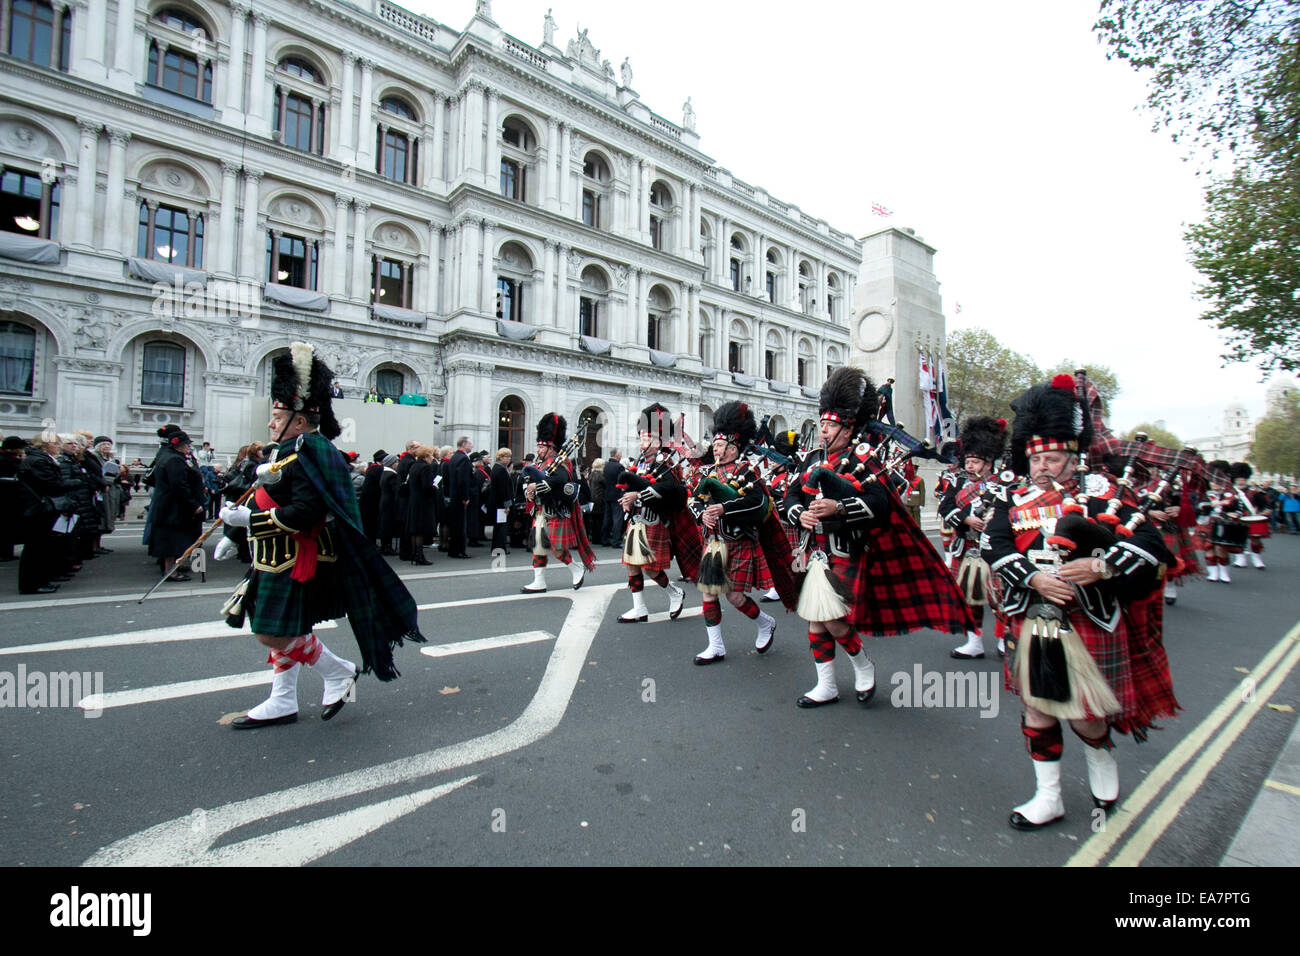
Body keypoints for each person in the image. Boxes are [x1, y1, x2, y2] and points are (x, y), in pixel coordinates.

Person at [983, 374, 1176, 830]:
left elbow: (1151, 545)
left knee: (1087, 716)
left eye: (1052, 458)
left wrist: (1102, 566)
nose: (1043, 467)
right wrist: (1032, 577)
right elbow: (995, 545)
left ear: (1073, 458)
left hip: (1089, 617)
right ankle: (1048, 796)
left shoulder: (1104, 495)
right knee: (1038, 708)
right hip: (1033, 616)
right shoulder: (1012, 500)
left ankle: (1102, 769)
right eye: (1036, 459)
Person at [218, 342, 425, 729]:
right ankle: (282, 700)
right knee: (290, 629)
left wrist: (251, 521)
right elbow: (274, 498)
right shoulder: (287, 450)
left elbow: (308, 512)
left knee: (269, 631)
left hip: (300, 556)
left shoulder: (314, 449)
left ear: (299, 419)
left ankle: (336, 670)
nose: (270, 421)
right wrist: (234, 528)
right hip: (274, 555)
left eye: (277, 414)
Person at [781, 368, 973, 706]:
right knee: (816, 620)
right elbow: (791, 497)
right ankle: (826, 685)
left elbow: (881, 505)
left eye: (830, 425)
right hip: (815, 551)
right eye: (822, 424)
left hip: (847, 550)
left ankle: (862, 664)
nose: (823, 430)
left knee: (836, 623)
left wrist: (838, 508)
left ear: (848, 427)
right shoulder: (811, 459)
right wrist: (801, 514)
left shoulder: (862, 459)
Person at [688, 401, 790, 664]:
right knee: (709, 592)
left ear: (733, 448)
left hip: (738, 538)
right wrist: (703, 513)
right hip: (713, 541)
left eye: (720, 445)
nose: (715, 448)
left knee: (734, 595)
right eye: (715, 444)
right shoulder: (707, 472)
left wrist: (723, 508)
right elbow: (694, 500)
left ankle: (765, 622)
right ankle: (716, 646)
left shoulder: (747, 471)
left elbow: (758, 503)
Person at [614, 403, 699, 623]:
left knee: (650, 567)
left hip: (655, 520)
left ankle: (674, 592)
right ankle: (639, 608)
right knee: (632, 564)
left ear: (659, 441)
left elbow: (669, 489)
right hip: (635, 519)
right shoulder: (640, 462)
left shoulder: (666, 462)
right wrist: (626, 500)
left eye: (648, 439)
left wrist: (639, 496)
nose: (643, 444)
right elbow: (634, 485)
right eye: (641, 439)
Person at [941, 416, 1008, 660]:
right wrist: (966, 519)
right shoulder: (957, 482)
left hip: (993, 549)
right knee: (969, 597)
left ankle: (1003, 639)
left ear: (989, 462)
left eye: (976, 461)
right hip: (966, 546)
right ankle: (974, 641)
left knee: (997, 597)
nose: (970, 466)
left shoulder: (1002, 485)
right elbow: (945, 508)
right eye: (968, 461)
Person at [521, 413, 597, 592]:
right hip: (540, 511)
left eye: (541, 447)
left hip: (555, 510)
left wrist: (536, 486)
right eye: (538, 446)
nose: (538, 450)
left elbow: (560, 481)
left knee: (556, 548)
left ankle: (576, 568)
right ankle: (539, 581)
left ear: (551, 447)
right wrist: (528, 489)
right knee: (538, 546)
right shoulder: (541, 464)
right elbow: (530, 479)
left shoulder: (560, 463)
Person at [147, 425, 205, 583]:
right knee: (171, 542)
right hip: (172, 509)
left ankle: (174, 568)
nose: (189, 447)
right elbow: (179, 486)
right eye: (187, 445)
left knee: (174, 541)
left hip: (171, 508)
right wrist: (194, 505)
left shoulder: (171, 456)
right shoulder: (174, 460)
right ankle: (170, 571)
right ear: (179, 445)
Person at [405, 445, 439, 565]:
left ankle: (415, 554)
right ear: (426, 456)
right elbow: (426, 487)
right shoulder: (426, 467)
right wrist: (434, 487)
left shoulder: (414, 466)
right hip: (423, 501)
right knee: (420, 530)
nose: (432, 458)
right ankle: (419, 556)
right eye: (431, 455)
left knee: (415, 529)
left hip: (414, 500)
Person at [446, 437, 473, 558]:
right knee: (460, 524)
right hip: (459, 497)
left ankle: (453, 549)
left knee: (454, 524)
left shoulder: (453, 458)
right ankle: (459, 550)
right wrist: (465, 497)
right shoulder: (464, 459)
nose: (472, 446)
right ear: (464, 444)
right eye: (470, 444)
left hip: (453, 495)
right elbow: (463, 480)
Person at [489, 448, 514, 553]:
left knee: (498, 525)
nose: (508, 459)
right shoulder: (502, 470)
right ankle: (500, 548)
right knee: (501, 526)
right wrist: (507, 505)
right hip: (500, 502)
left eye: (509, 457)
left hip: (496, 501)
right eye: (506, 457)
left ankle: (496, 547)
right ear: (500, 457)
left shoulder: (495, 467)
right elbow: (504, 489)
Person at [601, 449, 625, 546]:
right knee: (617, 518)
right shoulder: (619, 467)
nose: (621, 457)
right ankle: (616, 541)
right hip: (617, 495)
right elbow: (622, 482)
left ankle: (604, 539)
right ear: (617, 455)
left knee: (607, 518)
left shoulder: (605, 466)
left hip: (607, 494)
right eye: (620, 455)